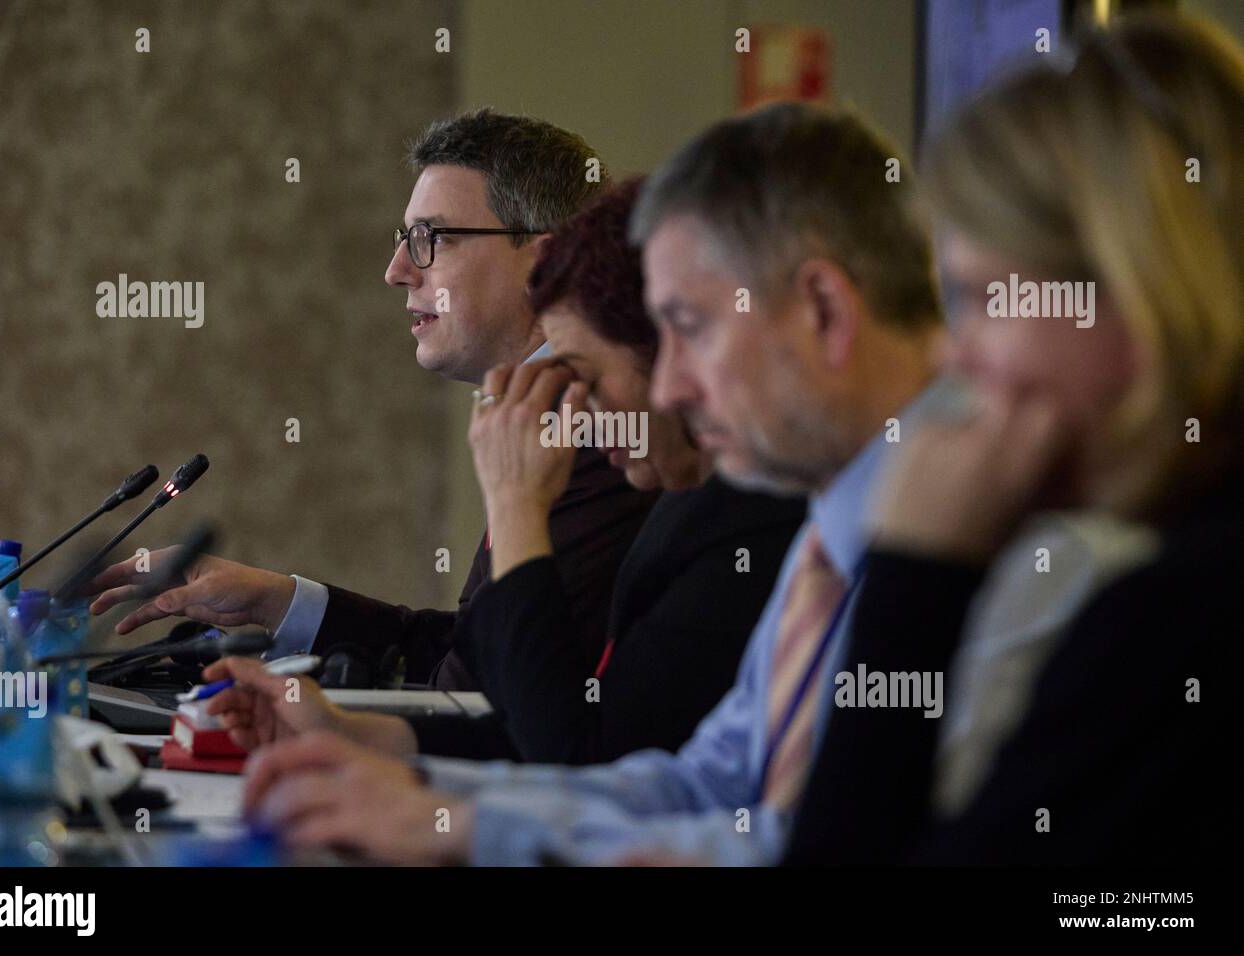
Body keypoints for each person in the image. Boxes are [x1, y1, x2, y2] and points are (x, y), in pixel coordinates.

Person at [234, 102, 953, 865]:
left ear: (822, 312)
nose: (671, 386)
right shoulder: (826, 529)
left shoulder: (946, 538)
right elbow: (697, 784)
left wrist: (457, 824)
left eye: (691, 327)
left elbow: (800, 845)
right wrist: (418, 790)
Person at [783, 13, 1243, 865]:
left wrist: (914, 583)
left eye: (986, 297)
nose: (958, 354)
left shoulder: (1176, 620)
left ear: (1145, 285)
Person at [202, 180, 805, 766]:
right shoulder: (683, 499)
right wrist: (347, 732)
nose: (397, 270)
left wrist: (516, 502)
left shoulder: (731, 513)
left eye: (432, 238)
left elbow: (571, 753)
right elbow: (550, 720)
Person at [86, 109, 659, 691]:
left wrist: (304, 721)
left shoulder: (601, 434)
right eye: (405, 239)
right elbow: (477, 647)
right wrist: (278, 602)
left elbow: (485, 703)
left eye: (431, 239)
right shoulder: (544, 413)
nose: (397, 271)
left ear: (542, 263)